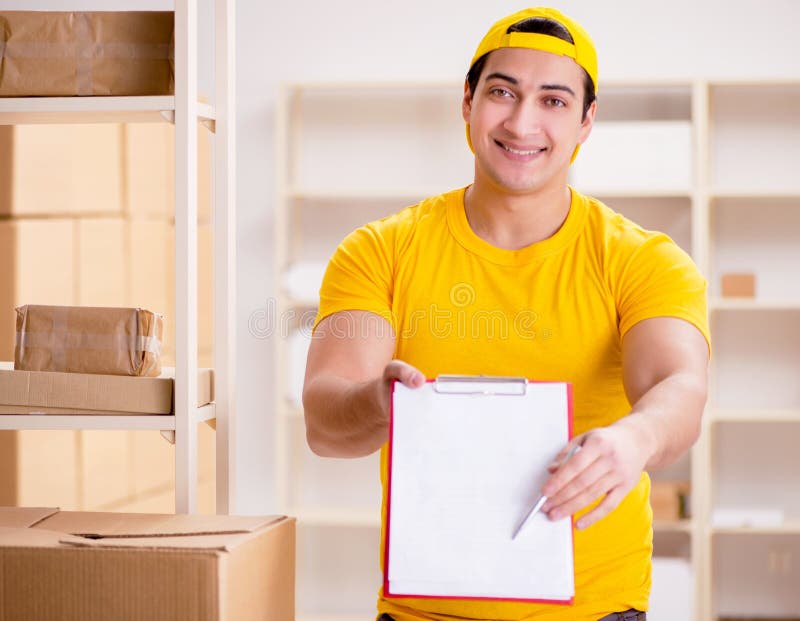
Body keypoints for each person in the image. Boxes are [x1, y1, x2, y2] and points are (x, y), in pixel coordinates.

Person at [302, 7, 710, 621]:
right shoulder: (378, 252)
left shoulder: (643, 261)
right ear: (467, 103)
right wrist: (376, 404)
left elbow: (679, 386)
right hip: (421, 611)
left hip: (596, 610)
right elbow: (324, 420)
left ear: (585, 122)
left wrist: (636, 436)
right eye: (502, 92)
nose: (523, 122)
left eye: (553, 101)